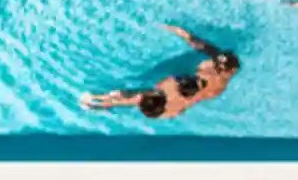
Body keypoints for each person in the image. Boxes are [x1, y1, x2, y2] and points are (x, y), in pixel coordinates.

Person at [81, 24, 240, 118]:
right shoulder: (214, 83)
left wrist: (182, 33)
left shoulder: (174, 89)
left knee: (130, 98)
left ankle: (100, 103)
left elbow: (134, 99)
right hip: (178, 102)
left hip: (177, 99)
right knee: (132, 99)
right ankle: (100, 104)